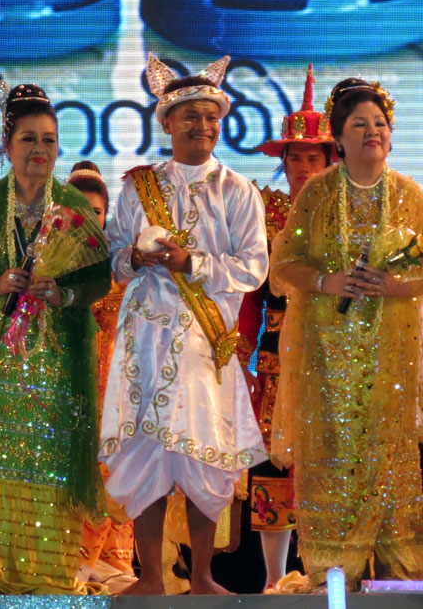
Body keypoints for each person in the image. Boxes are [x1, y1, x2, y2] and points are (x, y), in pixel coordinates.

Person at [99, 54, 269, 595]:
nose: (203, 125)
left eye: (211, 116)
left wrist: (189, 263)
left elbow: (254, 267)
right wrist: (135, 257)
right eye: (191, 116)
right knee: (146, 451)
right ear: (167, 122)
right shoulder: (138, 187)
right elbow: (112, 258)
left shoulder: (237, 190)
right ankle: (150, 576)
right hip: (144, 339)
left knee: (202, 451)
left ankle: (201, 576)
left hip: (204, 340)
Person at [0, 83, 111, 594]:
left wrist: (63, 294)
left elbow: (99, 279)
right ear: (7, 145)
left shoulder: (73, 203)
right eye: (29, 139)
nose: (40, 150)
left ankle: (50, 580)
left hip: (56, 366)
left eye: (49, 141)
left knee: (51, 469)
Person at [270, 77, 423, 589]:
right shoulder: (317, 194)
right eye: (359, 124)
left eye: (380, 123)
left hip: (391, 360)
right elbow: (284, 264)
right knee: (333, 462)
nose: (372, 131)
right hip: (325, 361)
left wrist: (395, 287)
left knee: (391, 461)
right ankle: (334, 578)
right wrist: (325, 281)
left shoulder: (410, 195)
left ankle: (399, 580)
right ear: (338, 138)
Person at [236, 65, 333, 590]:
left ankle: (326, 572)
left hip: (333, 356)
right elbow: (249, 297)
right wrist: (240, 357)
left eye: (312, 158)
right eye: (295, 158)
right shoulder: (266, 214)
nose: (302, 167)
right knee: (273, 463)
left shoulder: (344, 217)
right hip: (276, 359)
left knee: (325, 458)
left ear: (330, 161)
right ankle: (274, 581)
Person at [67, 161, 136, 594]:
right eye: (79, 210)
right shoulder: (51, 261)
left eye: (95, 211)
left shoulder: (120, 264)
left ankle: (113, 563)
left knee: (117, 467)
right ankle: (74, 561)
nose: (88, 219)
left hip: (117, 384)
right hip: (69, 381)